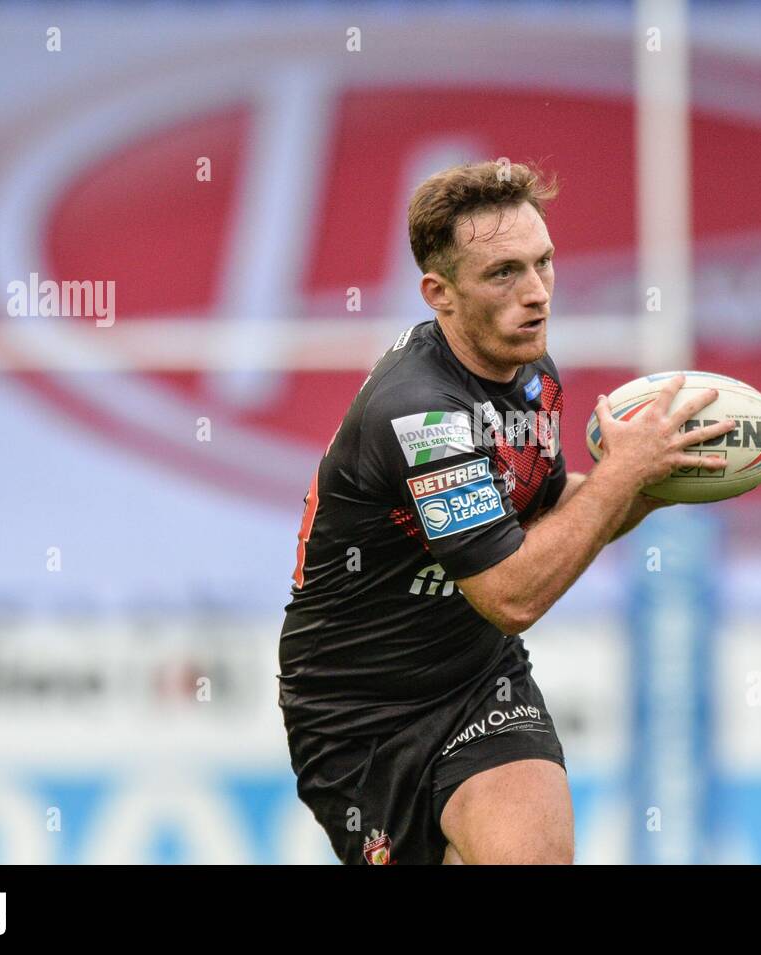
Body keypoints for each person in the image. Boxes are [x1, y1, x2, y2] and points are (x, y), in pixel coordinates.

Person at [278, 160, 732, 864]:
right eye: (504, 274)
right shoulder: (420, 411)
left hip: (477, 677)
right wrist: (622, 475)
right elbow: (511, 592)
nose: (537, 294)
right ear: (441, 294)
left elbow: (553, 515)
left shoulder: (531, 373)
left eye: (544, 263)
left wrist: (652, 476)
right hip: (358, 711)